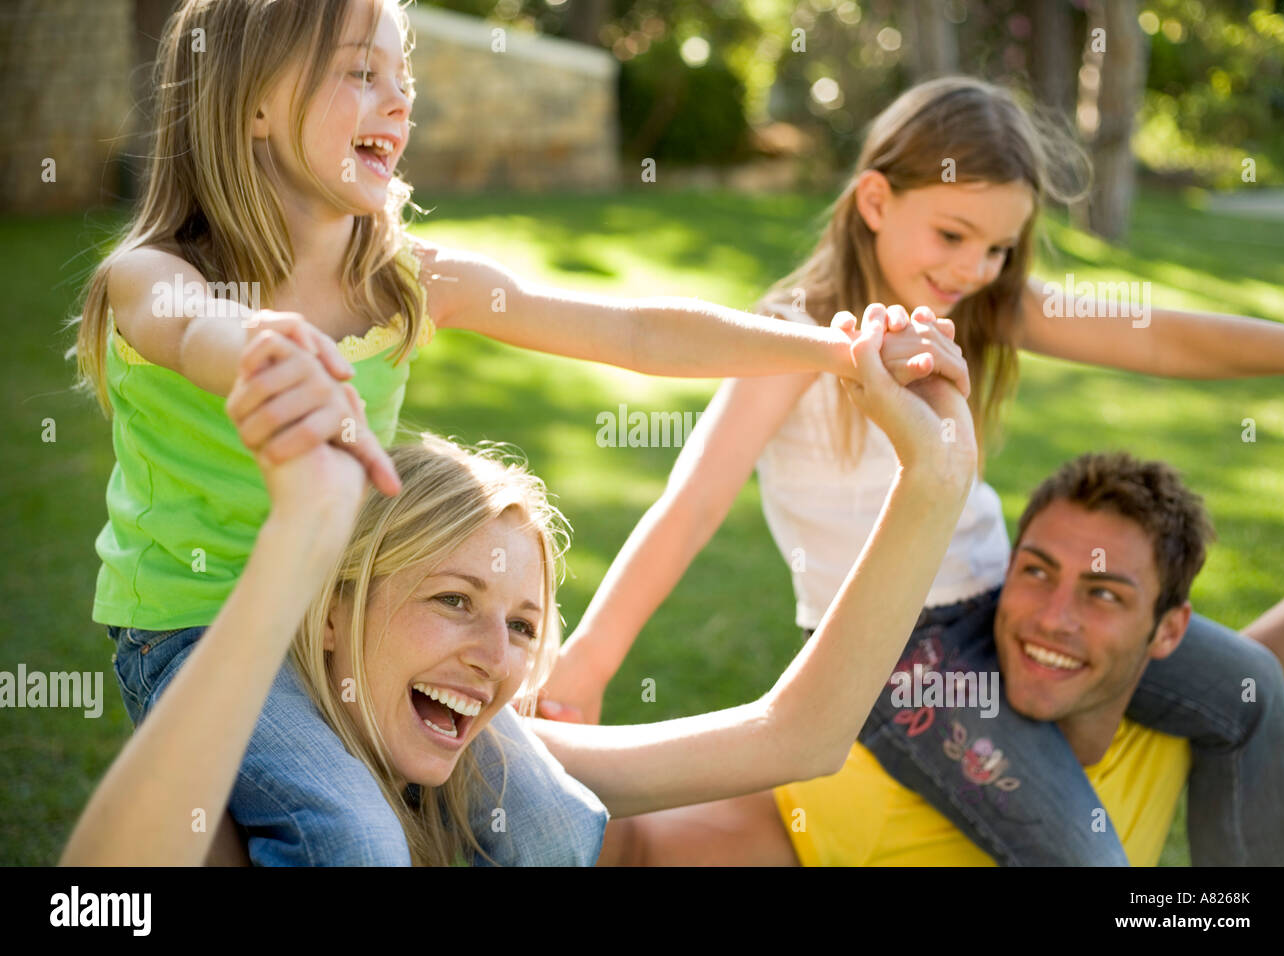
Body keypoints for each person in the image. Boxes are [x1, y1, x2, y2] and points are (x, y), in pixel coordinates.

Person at [70, 0, 964, 865]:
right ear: (253, 100)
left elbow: (634, 332)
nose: (401, 98)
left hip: (352, 630)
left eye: (404, 74)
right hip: (193, 635)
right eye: (361, 71)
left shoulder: (405, 281)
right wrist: (256, 349)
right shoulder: (152, 273)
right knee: (354, 840)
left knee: (553, 822)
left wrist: (835, 350)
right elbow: (186, 325)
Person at [542, 75, 1284, 865]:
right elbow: (692, 502)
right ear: (875, 201)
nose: (976, 266)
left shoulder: (978, 305)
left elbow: (1160, 337)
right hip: (895, 657)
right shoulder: (799, 333)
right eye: (953, 235)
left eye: (1000, 247)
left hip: (1002, 602)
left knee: (1247, 688)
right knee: (1089, 857)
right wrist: (588, 663)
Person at [62, 309, 978, 866]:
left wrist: (937, 475)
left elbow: (799, 737)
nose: (496, 660)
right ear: (333, 615)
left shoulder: (484, 766)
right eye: (452, 601)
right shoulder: (218, 814)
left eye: (525, 624)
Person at [596, 452, 1284, 866]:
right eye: (1035, 572)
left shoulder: (1181, 719)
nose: (1053, 619)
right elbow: (632, 846)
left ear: (1167, 633)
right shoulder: (883, 768)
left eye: (1103, 595)